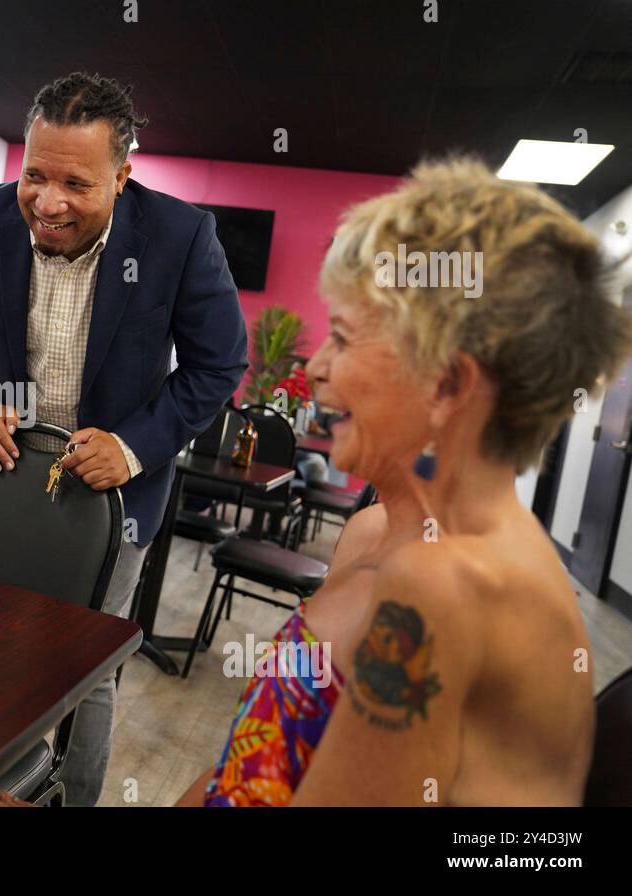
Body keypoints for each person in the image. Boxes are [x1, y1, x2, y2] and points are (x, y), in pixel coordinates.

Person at [181, 158, 632, 807]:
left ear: (448, 384)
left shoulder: (447, 584)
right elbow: (252, 759)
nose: (317, 368)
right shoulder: (372, 532)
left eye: (340, 336)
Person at [0, 72, 249, 806]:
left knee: (83, 665)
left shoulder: (179, 236)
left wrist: (134, 447)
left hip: (115, 490)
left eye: (75, 183)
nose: (47, 201)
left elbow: (220, 362)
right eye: (34, 174)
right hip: (0, 469)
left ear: (122, 177)